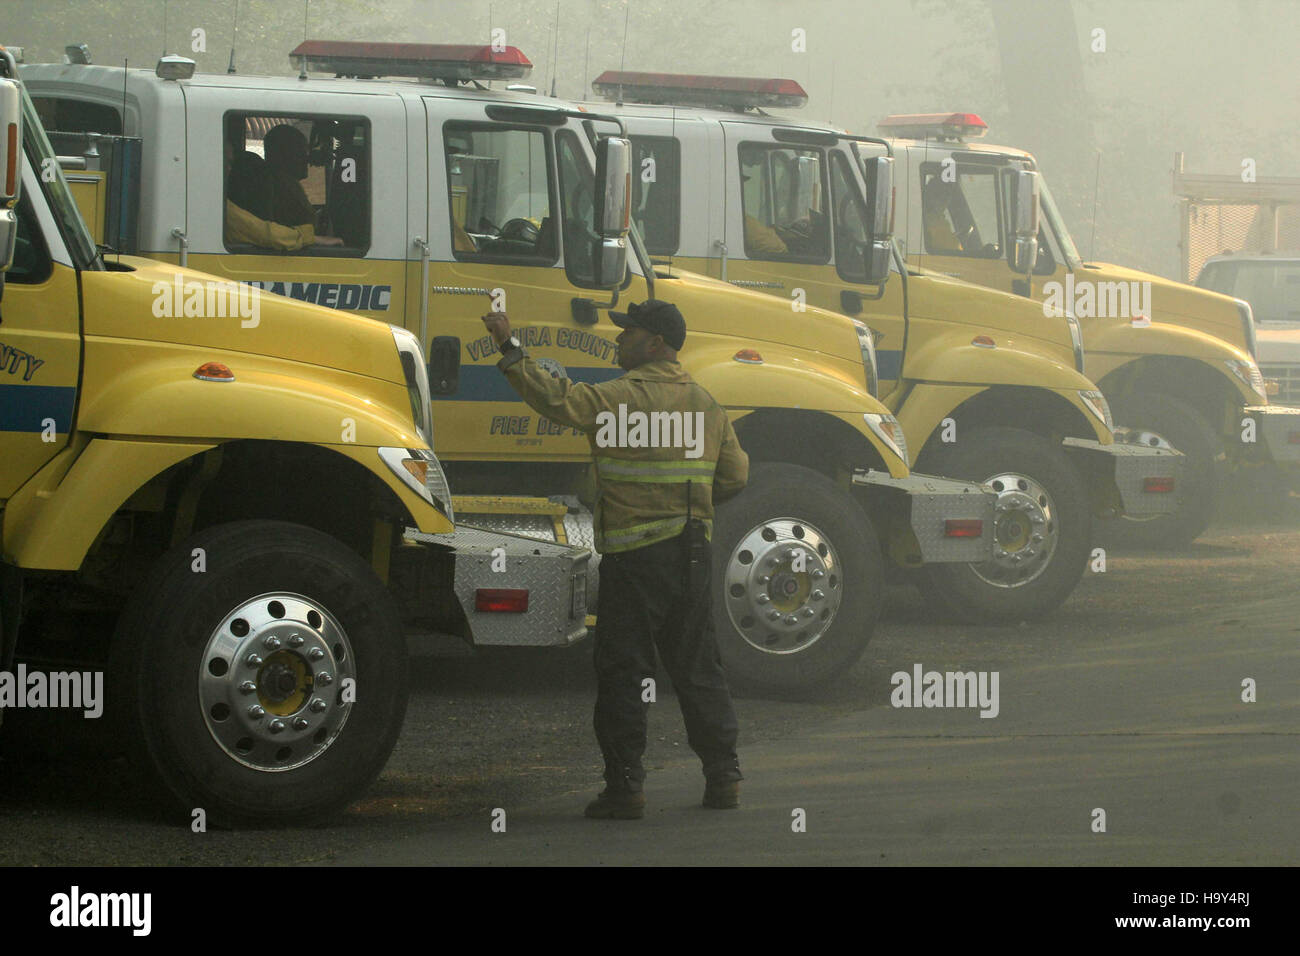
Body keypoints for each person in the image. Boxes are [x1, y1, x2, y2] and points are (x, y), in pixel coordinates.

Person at [481, 300, 749, 819]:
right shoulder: (707, 404)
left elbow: (556, 400)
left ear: (657, 344)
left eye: (629, 333)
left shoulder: (617, 399)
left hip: (634, 559)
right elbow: (736, 477)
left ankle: (626, 788)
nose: (618, 340)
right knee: (698, 667)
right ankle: (725, 777)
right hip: (692, 556)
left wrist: (509, 347)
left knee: (625, 671)